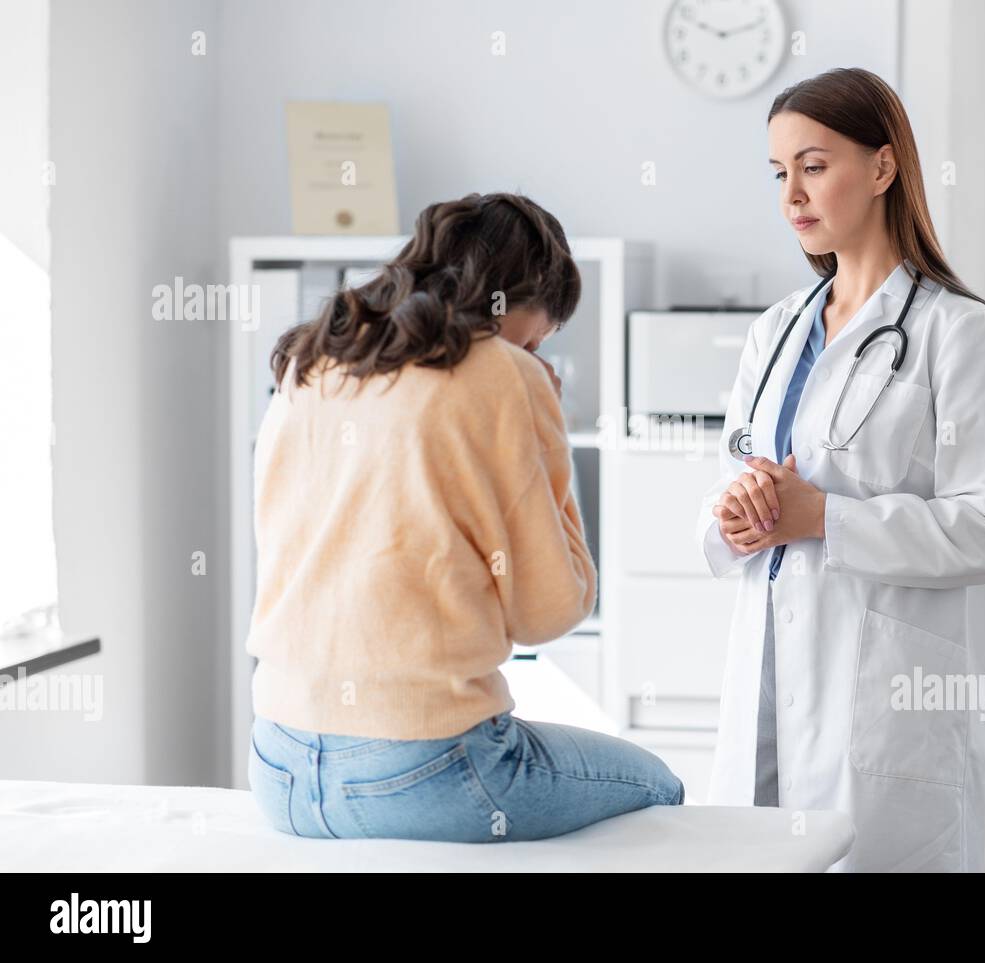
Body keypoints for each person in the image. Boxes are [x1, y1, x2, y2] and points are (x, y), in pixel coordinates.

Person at [245, 193, 684, 842]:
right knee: (659, 785)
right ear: (515, 304)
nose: (534, 357)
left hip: (277, 765)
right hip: (422, 770)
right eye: (534, 340)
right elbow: (551, 610)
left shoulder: (317, 359)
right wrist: (545, 428)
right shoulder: (503, 371)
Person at [697, 68, 985, 872]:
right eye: (780, 174)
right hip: (769, 683)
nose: (792, 197)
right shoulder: (774, 333)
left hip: (887, 704)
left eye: (813, 166)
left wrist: (824, 518)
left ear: (882, 169)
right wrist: (735, 516)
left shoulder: (960, 333)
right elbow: (735, 488)